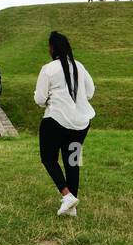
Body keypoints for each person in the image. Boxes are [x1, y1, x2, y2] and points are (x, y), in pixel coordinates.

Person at [34, 31, 96, 217]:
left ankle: (67, 196)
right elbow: (90, 92)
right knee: (73, 162)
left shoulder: (48, 69)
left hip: (55, 121)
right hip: (81, 124)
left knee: (49, 158)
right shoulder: (80, 66)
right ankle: (72, 207)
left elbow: (39, 99)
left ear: (52, 48)